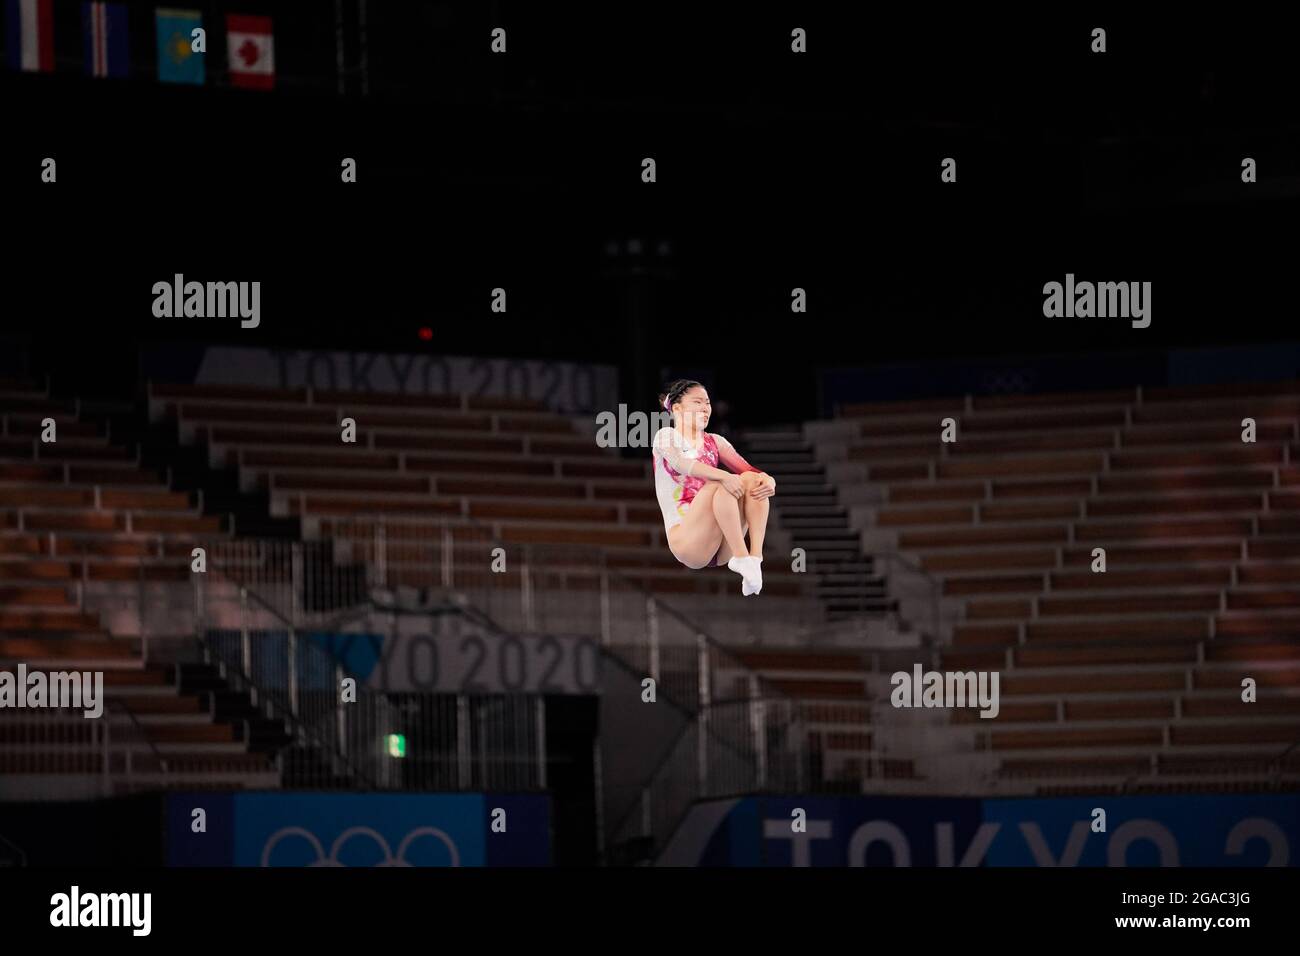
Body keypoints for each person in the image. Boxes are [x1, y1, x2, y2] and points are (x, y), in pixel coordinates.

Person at [651, 379, 775, 595]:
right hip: (687, 542)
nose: (705, 408)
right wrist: (722, 476)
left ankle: (754, 559)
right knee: (718, 484)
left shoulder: (716, 442)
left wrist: (768, 480)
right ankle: (741, 556)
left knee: (751, 481)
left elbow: (750, 470)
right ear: (678, 409)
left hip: (721, 541)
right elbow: (680, 463)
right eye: (697, 402)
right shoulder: (665, 437)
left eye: (707, 403)